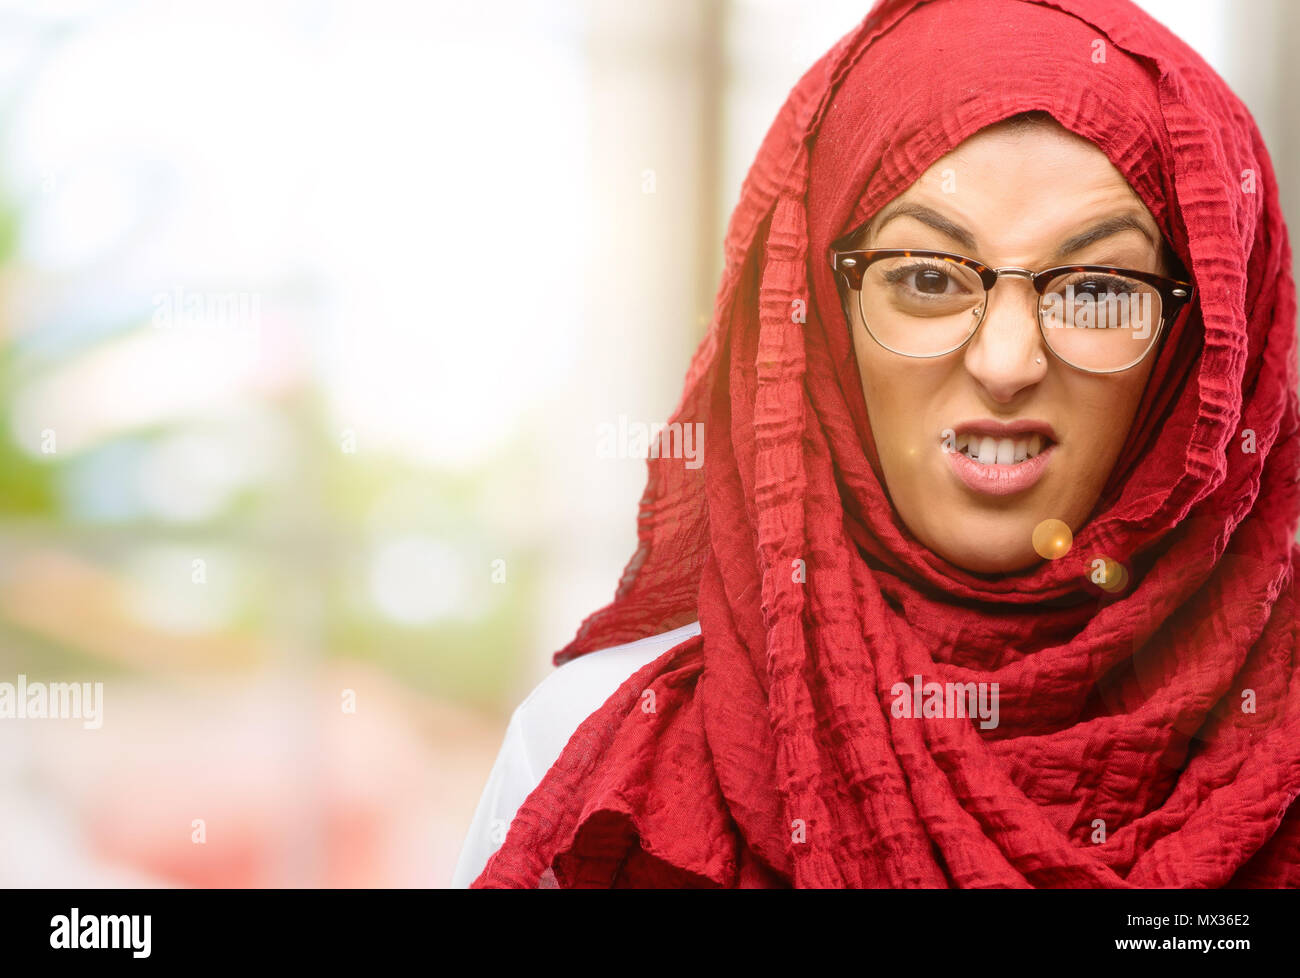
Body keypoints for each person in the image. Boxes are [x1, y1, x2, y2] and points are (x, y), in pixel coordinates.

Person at [456, 0, 1300, 888]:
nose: (1006, 362)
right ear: (816, 326)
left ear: (1204, 346)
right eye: (927, 277)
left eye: (1095, 290)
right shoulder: (604, 761)